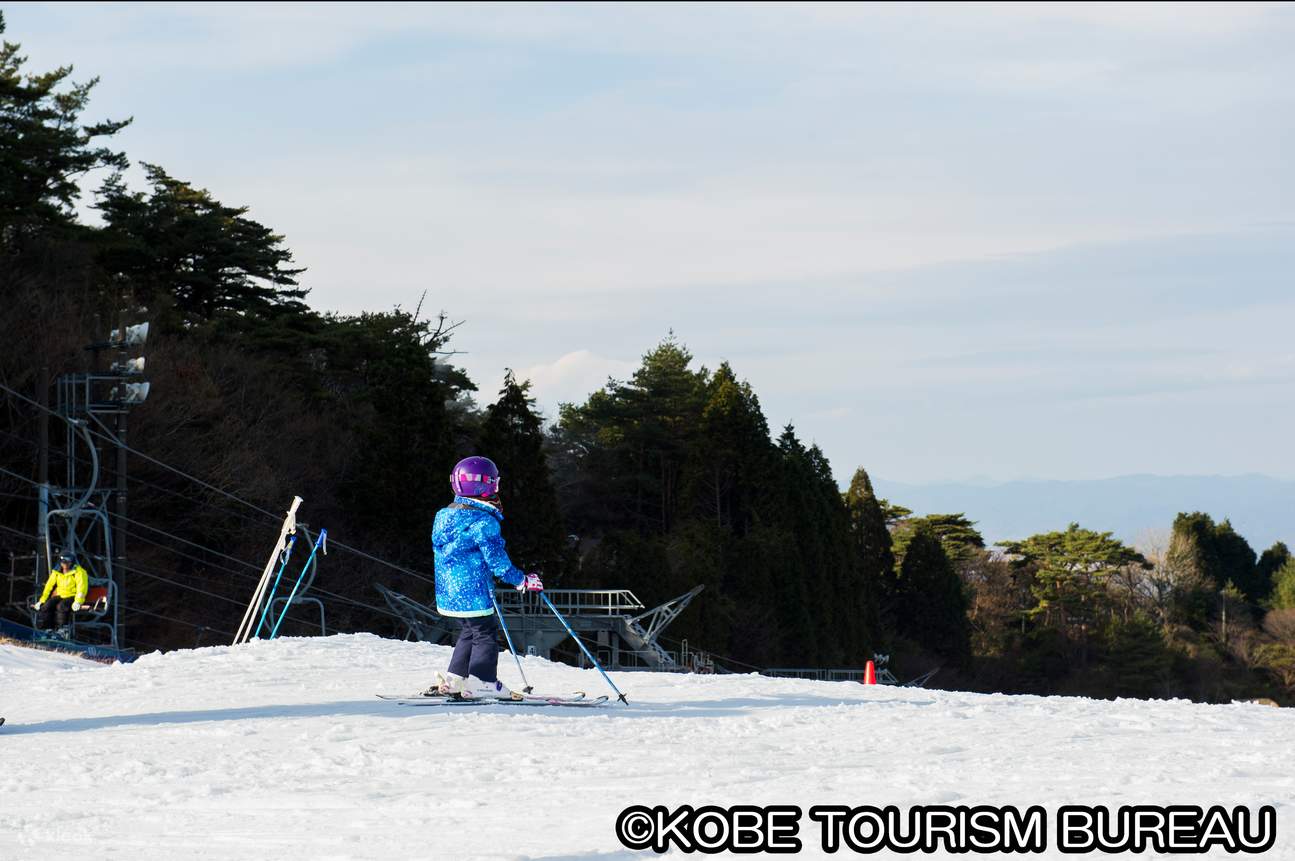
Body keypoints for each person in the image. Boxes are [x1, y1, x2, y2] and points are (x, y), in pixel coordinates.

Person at [431, 455, 543, 700]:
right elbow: (497, 562)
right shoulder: (483, 521)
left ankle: (455, 679)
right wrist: (521, 580)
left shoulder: (444, 515)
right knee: (485, 633)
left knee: (470, 631)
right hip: (471, 590)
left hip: (448, 591)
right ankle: (482, 681)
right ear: (488, 485)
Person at [32, 552, 89, 636]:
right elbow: (49, 586)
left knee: (61, 606)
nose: (65, 565)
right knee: (47, 605)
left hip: (72, 595)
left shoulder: (79, 572)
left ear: (72, 562)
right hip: (60, 595)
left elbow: (82, 588)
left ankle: (62, 629)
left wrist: (78, 601)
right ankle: (47, 628)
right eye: (62, 562)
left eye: (67, 562)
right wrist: (41, 601)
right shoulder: (57, 571)